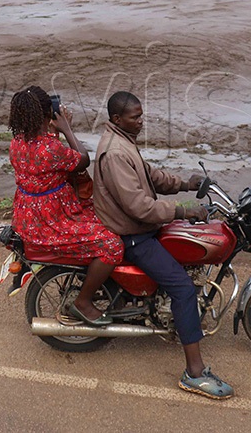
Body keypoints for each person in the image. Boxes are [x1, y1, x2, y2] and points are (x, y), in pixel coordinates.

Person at [92, 90, 234, 400]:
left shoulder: (124, 141)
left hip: (141, 227)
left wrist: (186, 183)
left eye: (141, 115)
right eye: (135, 117)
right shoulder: (116, 152)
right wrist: (184, 211)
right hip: (133, 234)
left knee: (183, 250)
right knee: (182, 287)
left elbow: (150, 177)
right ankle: (194, 373)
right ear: (118, 119)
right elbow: (139, 206)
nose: (141, 122)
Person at [8, 86, 123, 325]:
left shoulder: (17, 143)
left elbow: (48, 158)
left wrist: (53, 131)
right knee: (112, 244)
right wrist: (67, 129)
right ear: (47, 115)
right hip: (52, 220)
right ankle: (82, 301)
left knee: (104, 222)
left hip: (30, 216)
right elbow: (82, 160)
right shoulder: (51, 148)